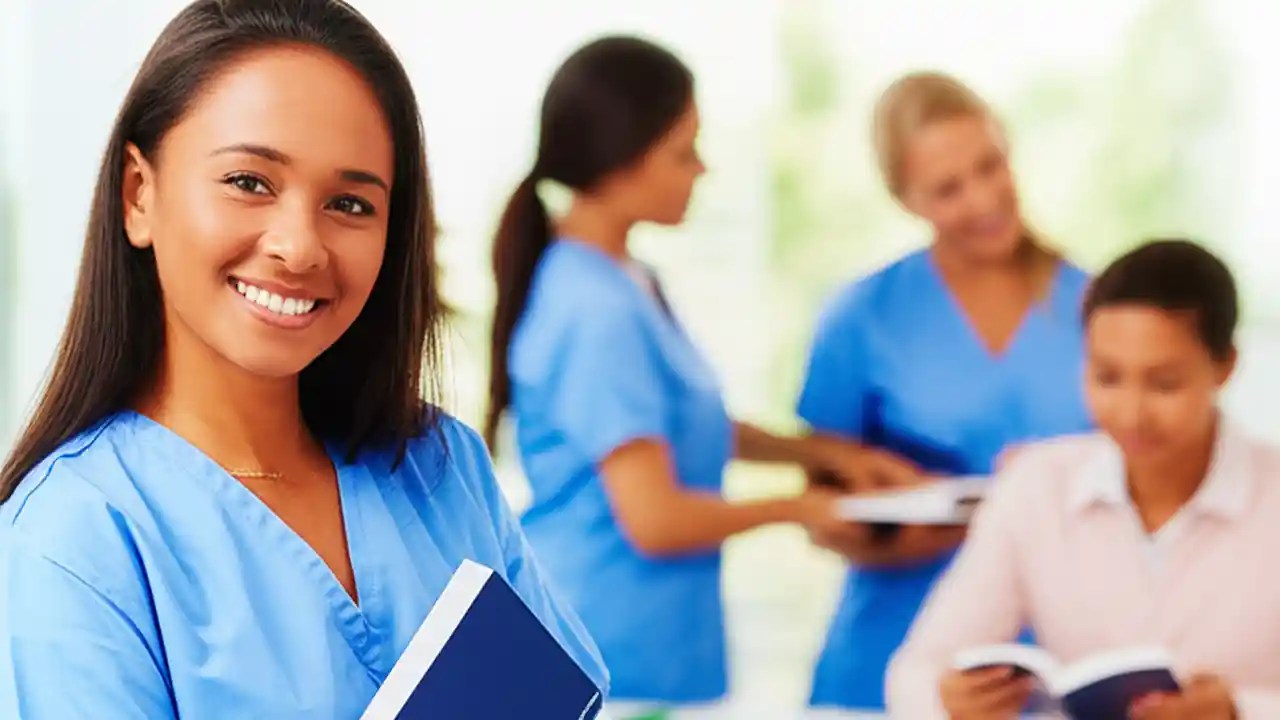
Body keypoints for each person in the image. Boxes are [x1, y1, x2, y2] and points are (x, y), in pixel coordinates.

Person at [0, 1, 606, 717]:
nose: (300, 247)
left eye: (350, 204)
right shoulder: (75, 537)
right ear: (140, 195)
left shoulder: (442, 468)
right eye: (249, 183)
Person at [484, 36, 890, 718]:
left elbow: (681, 427)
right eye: (684, 151)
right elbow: (656, 519)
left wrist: (825, 454)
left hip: (649, 653)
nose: (701, 170)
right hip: (603, 655)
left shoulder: (629, 281)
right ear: (622, 159)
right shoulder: (594, 308)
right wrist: (801, 508)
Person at [797, 72, 1095, 715]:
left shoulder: (1095, 307)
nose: (985, 197)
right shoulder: (863, 316)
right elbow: (821, 512)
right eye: (948, 188)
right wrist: (916, 532)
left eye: (990, 166)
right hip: (887, 663)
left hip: (1056, 665)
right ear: (906, 200)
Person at [887, 239, 1280, 719]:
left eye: (1164, 384)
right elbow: (916, 670)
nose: (1131, 415)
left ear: (1225, 366)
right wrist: (945, 702)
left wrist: (1239, 711)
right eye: (1107, 378)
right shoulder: (1036, 486)